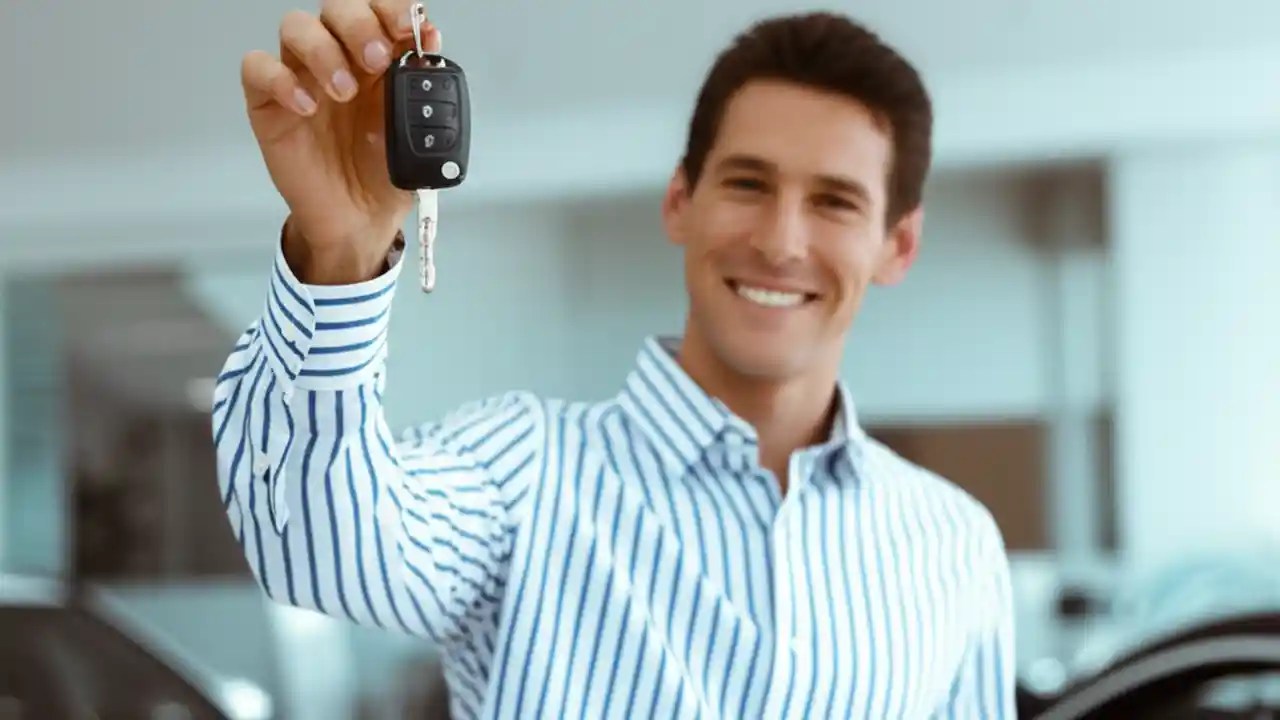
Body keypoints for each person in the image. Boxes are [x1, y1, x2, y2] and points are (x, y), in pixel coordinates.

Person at [216, 0, 1016, 717]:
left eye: (834, 201)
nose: (780, 241)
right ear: (680, 202)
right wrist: (342, 250)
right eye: (747, 183)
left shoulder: (955, 545)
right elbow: (315, 546)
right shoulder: (523, 471)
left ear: (898, 244)